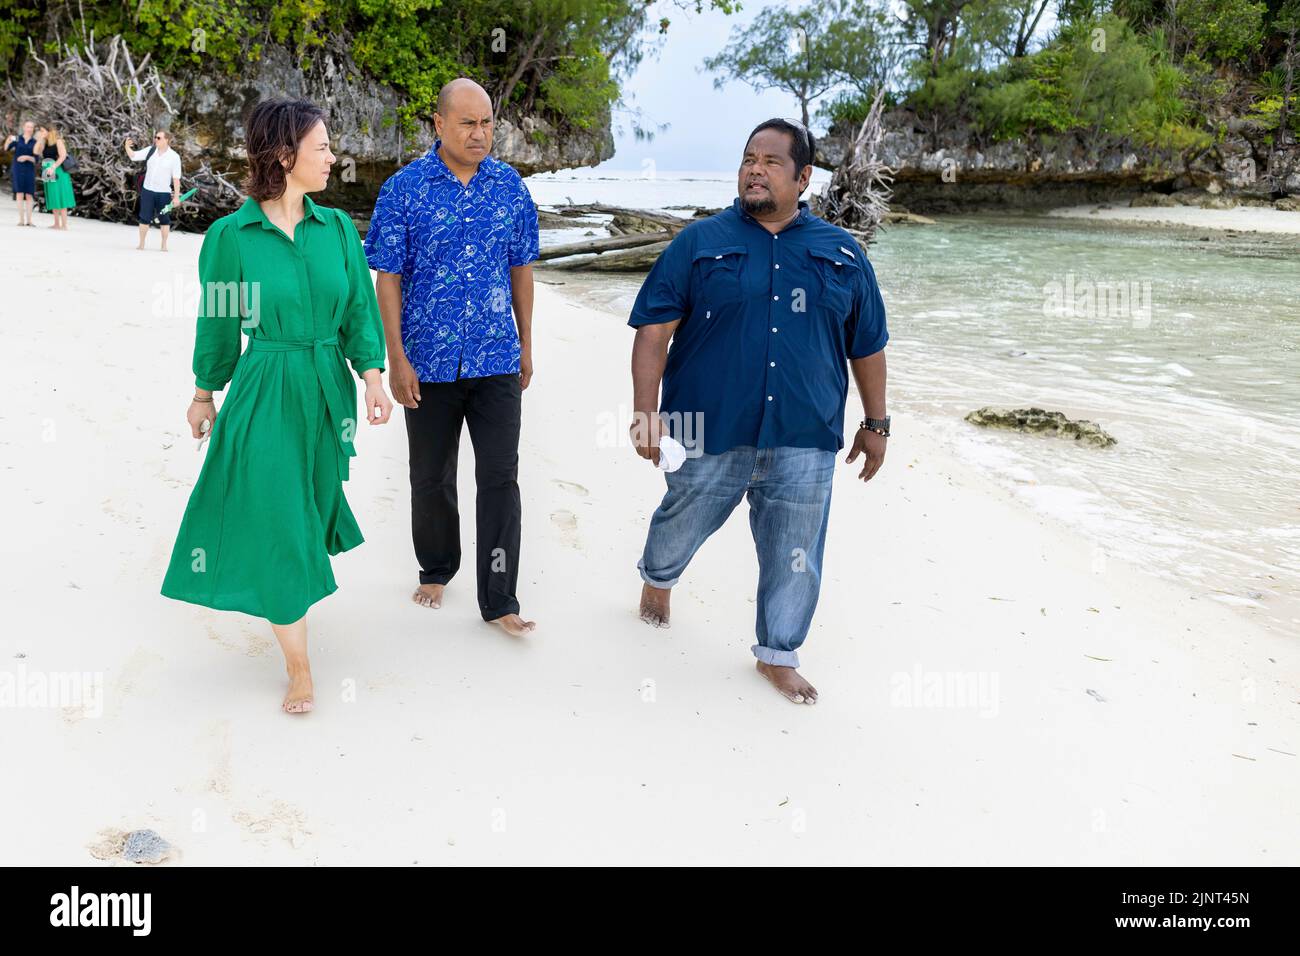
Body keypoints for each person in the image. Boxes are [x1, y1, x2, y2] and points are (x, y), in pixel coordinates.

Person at [628, 118, 890, 705]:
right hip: (709, 425)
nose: (754, 169)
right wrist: (646, 412)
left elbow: (867, 343)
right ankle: (657, 581)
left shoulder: (842, 252)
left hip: (805, 432)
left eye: (771, 162)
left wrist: (876, 423)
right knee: (683, 515)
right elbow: (654, 331)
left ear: (803, 178)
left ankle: (777, 653)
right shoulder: (698, 243)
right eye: (749, 158)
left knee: (796, 550)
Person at [161, 99, 394, 714]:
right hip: (265, 389)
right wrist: (203, 394)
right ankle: (299, 667)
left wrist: (372, 378)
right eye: (322, 148)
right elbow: (217, 326)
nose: (333, 157)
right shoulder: (231, 238)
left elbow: (358, 315)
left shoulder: (339, 229)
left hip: (326, 393)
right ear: (285, 156)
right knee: (281, 518)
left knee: (309, 510)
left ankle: (290, 602)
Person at [364, 78, 540, 637]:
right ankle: (437, 567)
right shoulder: (403, 189)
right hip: (428, 361)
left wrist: (526, 344)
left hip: (495, 358)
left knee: (500, 478)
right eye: (468, 123)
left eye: (487, 122)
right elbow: (386, 277)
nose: (480, 133)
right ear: (438, 125)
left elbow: (521, 268)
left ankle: (500, 597)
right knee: (431, 475)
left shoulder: (510, 188)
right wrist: (396, 357)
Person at [124, 129, 182, 250]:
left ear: (167, 140)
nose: (156, 139)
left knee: (164, 219)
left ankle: (164, 245)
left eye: (159, 138)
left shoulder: (174, 157)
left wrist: (176, 197)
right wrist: (126, 146)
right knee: (144, 218)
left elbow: (176, 178)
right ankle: (141, 244)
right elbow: (133, 156)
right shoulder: (150, 150)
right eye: (155, 137)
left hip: (164, 193)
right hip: (148, 190)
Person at [37, 124, 76, 229]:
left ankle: (64, 225)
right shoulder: (45, 142)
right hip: (47, 168)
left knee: (60, 195)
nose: (41, 133)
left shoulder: (58, 141)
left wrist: (53, 167)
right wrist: (40, 140)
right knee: (52, 195)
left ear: (49, 131)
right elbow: (38, 152)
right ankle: (56, 224)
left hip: (57, 170)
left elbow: (63, 156)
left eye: (42, 131)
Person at [4, 120, 40, 226]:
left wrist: (27, 157)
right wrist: (8, 139)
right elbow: (6, 148)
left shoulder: (35, 141)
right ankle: (21, 220)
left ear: (33, 129)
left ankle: (29, 220)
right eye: (28, 127)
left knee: (29, 194)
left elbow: (36, 159)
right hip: (17, 168)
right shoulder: (17, 138)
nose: (29, 129)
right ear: (24, 127)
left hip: (29, 169)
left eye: (31, 127)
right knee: (19, 194)